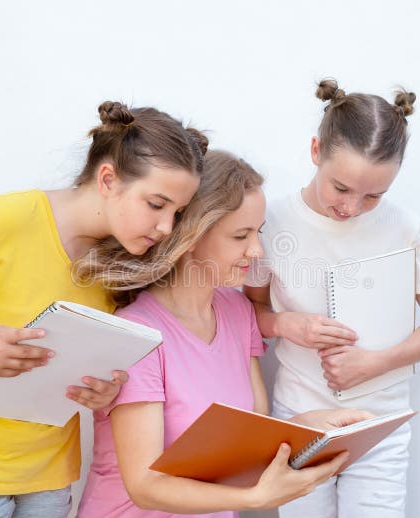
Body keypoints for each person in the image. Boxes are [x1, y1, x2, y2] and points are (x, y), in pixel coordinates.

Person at [0, 100, 208, 518]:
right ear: (108, 179)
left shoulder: (123, 263)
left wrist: (103, 392)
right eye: (157, 205)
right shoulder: (3, 220)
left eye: (177, 213)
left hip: (47, 476)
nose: (166, 227)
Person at [77, 150, 372, 518]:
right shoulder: (139, 333)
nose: (257, 250)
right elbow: (144, 486)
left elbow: (248, 440)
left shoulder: (237, 312)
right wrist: (254, 499)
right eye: (240, 235)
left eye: (258, 232)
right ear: (192, 237)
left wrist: (306, 427)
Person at [244, 79, 420, 517]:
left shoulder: (405, 227)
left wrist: (375, 363)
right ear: (315, 151)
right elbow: (250, 312)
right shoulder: (272, 223)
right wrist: (286, 325)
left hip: (380, 422)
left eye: (374, 195)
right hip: (300, 417)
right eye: (340, 188)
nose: (353, 207)